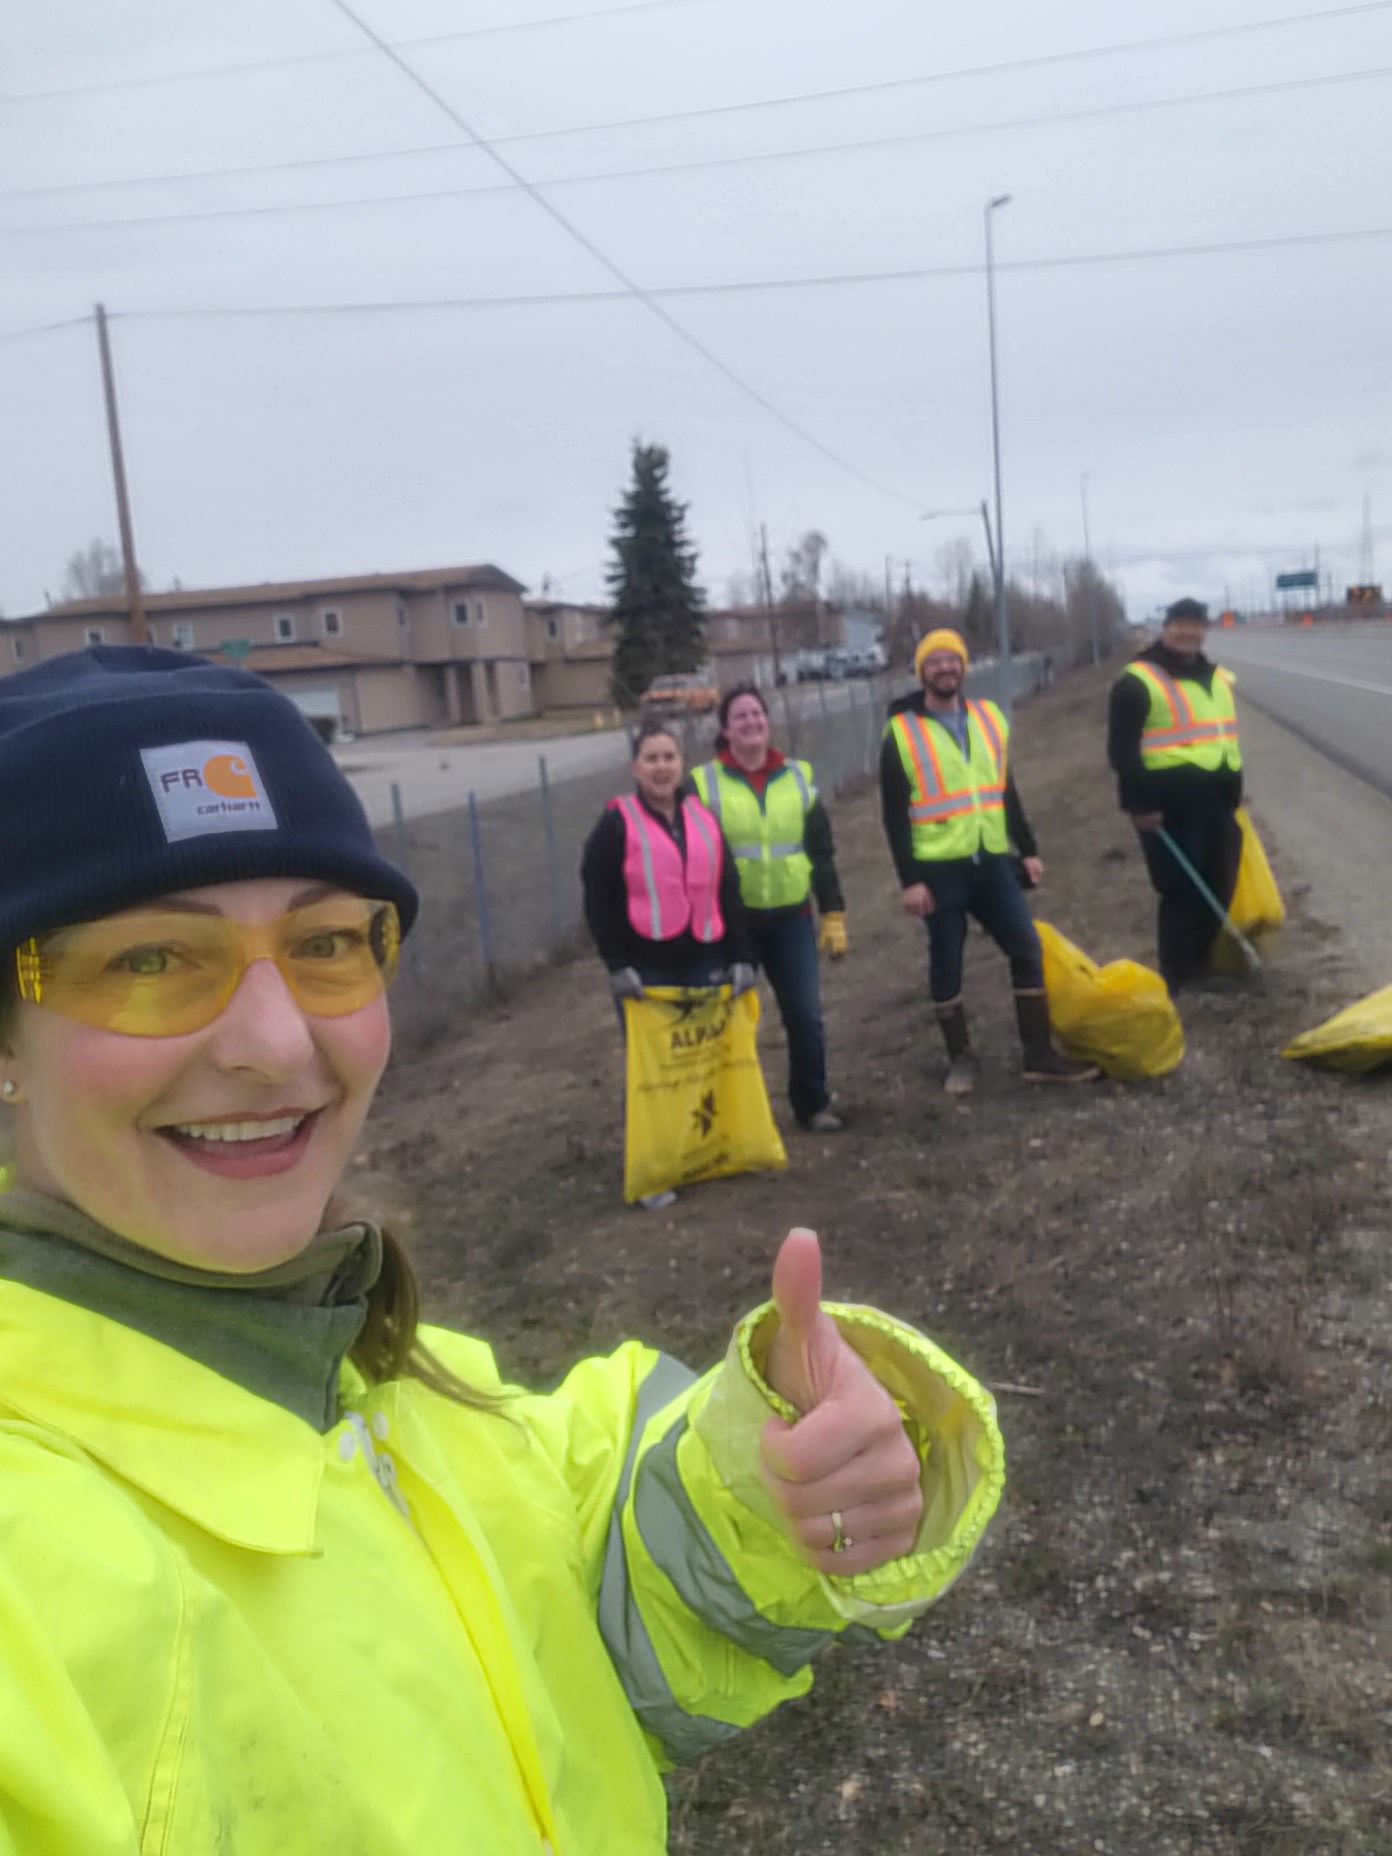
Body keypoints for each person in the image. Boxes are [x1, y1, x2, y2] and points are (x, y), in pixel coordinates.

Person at [0, 646, 1005, 1855]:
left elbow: (573, 1539)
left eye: (325, 943)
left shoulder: (374, 1372)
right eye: (152, 960)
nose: (275, 1042)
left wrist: (769, 1466)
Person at [880, 628, 1098, 1093]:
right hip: (939, 869)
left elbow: (1005, 789)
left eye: (952, 660)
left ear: (963, 666)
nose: (945, 668)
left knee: (1025, 948)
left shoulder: (988, 718)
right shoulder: (901, 733)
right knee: (947, 963)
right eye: (934, 662)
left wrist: (1029, 847)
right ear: (922, 672)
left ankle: (1038, 1055)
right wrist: (910, 880)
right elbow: (893, 816)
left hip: (992, 862)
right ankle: (960, 1059)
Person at [581, 721, 755, 1208]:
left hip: (705, 961)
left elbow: (728, 888)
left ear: (683, 764)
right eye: (652, 758)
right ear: (636, 767)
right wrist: (616, 965)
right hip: (646, 976)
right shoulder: (616, 825)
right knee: (656, 1078)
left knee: (702, 1068)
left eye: (670, 758)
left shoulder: (704, 818)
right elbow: (599, 899)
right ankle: (657, 1171)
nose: (662, 767)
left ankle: (705, 1154)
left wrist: (742, 955)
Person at [692, 684, 846, 1135]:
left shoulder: (798, 778)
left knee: (805, 1016)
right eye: (740, 717)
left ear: (768, 722)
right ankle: (727, 1118)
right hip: (730, 928)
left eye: (757, 714)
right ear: (725, 729)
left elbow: (821, 850)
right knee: (728, 1026)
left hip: (791, 919)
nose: (750, 723)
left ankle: (813, 1104)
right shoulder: (702, 785)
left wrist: (833, 911)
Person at [1107, 596, 1243, 994]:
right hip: (1167, 806)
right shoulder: (1137, 680)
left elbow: (1223, 736)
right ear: (1165, 628)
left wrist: (1235, 790)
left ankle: (1201, 965)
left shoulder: (1216, 678)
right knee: (1180, 890)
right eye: (1180, 625)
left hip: (1216, 801)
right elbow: (1121, 752)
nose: (1188, 633)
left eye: (1196, 625)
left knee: (1219, 881)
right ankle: (1177, 973)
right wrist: (1139, 805)